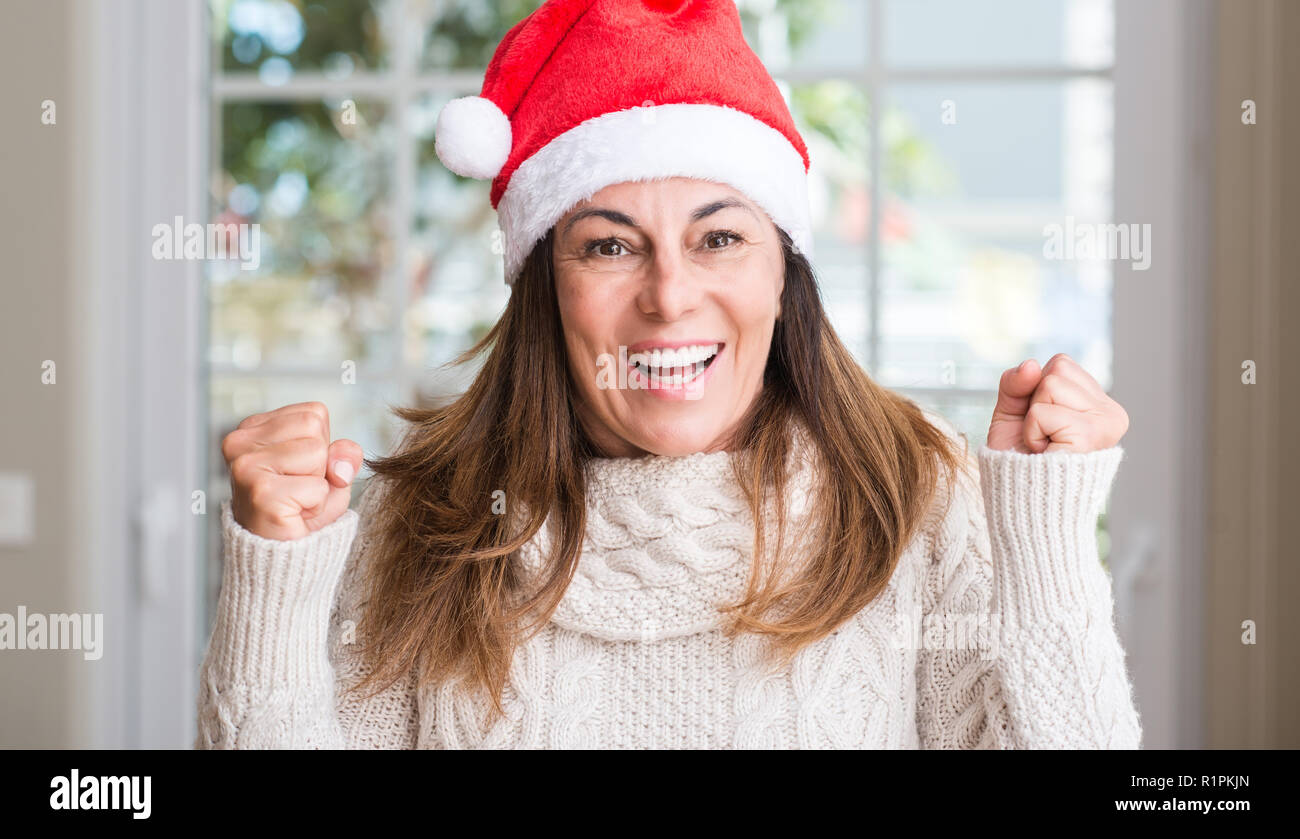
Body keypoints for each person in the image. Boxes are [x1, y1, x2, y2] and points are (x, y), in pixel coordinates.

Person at [195, 0, 1140, 749]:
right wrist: (272, 584)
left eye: (720, 236)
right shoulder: (432, 518)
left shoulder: (916, 499)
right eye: (610, 246)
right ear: (545, 290)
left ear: (783, 274)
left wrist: (1048, 544)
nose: (669, 295)